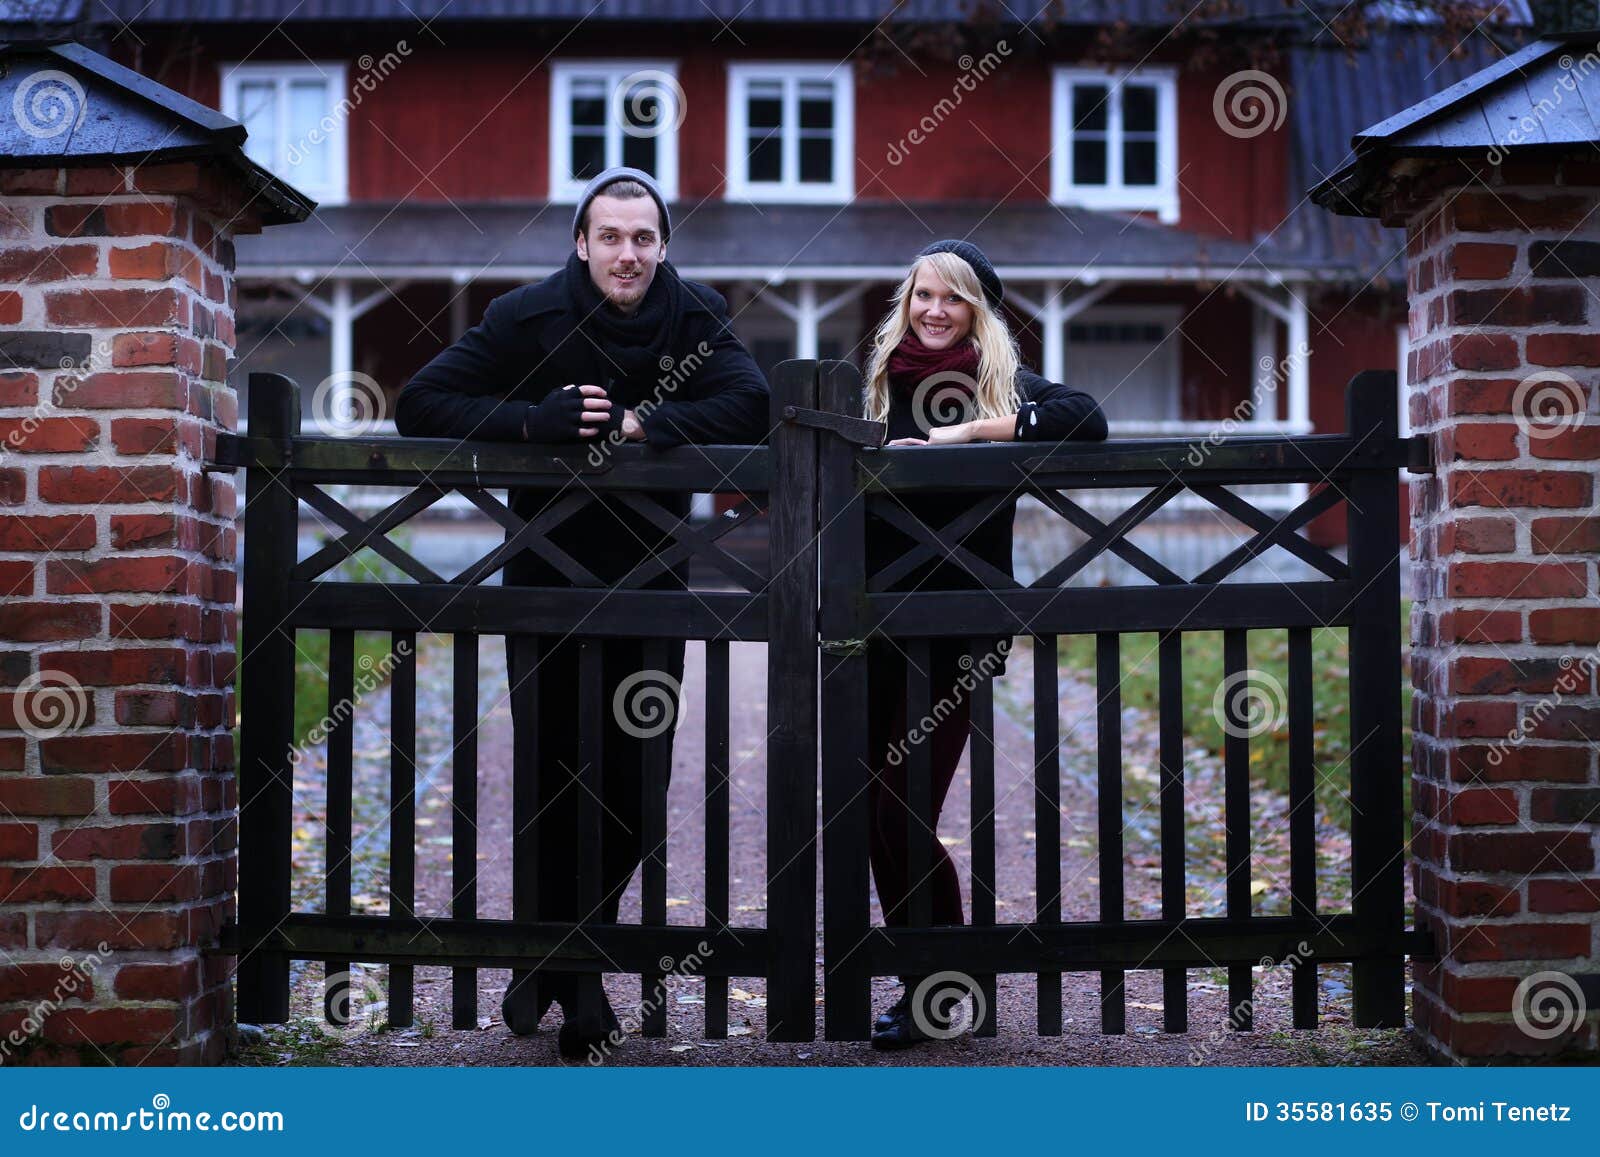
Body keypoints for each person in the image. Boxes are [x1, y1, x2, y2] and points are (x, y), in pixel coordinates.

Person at [395, 166, 769, 1059]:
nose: (627, 254)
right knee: (556, 787)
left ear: (663, 244)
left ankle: (550, 961)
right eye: (610, 237)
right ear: (581, 241)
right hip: (544, 586)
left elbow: (754, 402)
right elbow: (419, 403)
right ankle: (584, 985)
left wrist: (649, 423)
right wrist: (533, 420)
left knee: (639, 792)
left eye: (643, 238)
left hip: (652, 586)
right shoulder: (525, 316)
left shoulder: (696, 313)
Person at [859, 239, 1107, 1048]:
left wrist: (967, 436)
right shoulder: (869, 388)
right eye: (922, 293)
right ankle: (925, 984)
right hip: (868, 629)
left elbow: (1087, 421)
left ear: (978, 309)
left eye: (953, 297)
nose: (933, 309)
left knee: (903, 807)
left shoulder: (1001, 385)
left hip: (958, 631)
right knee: (870, 814)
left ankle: (942, 981)